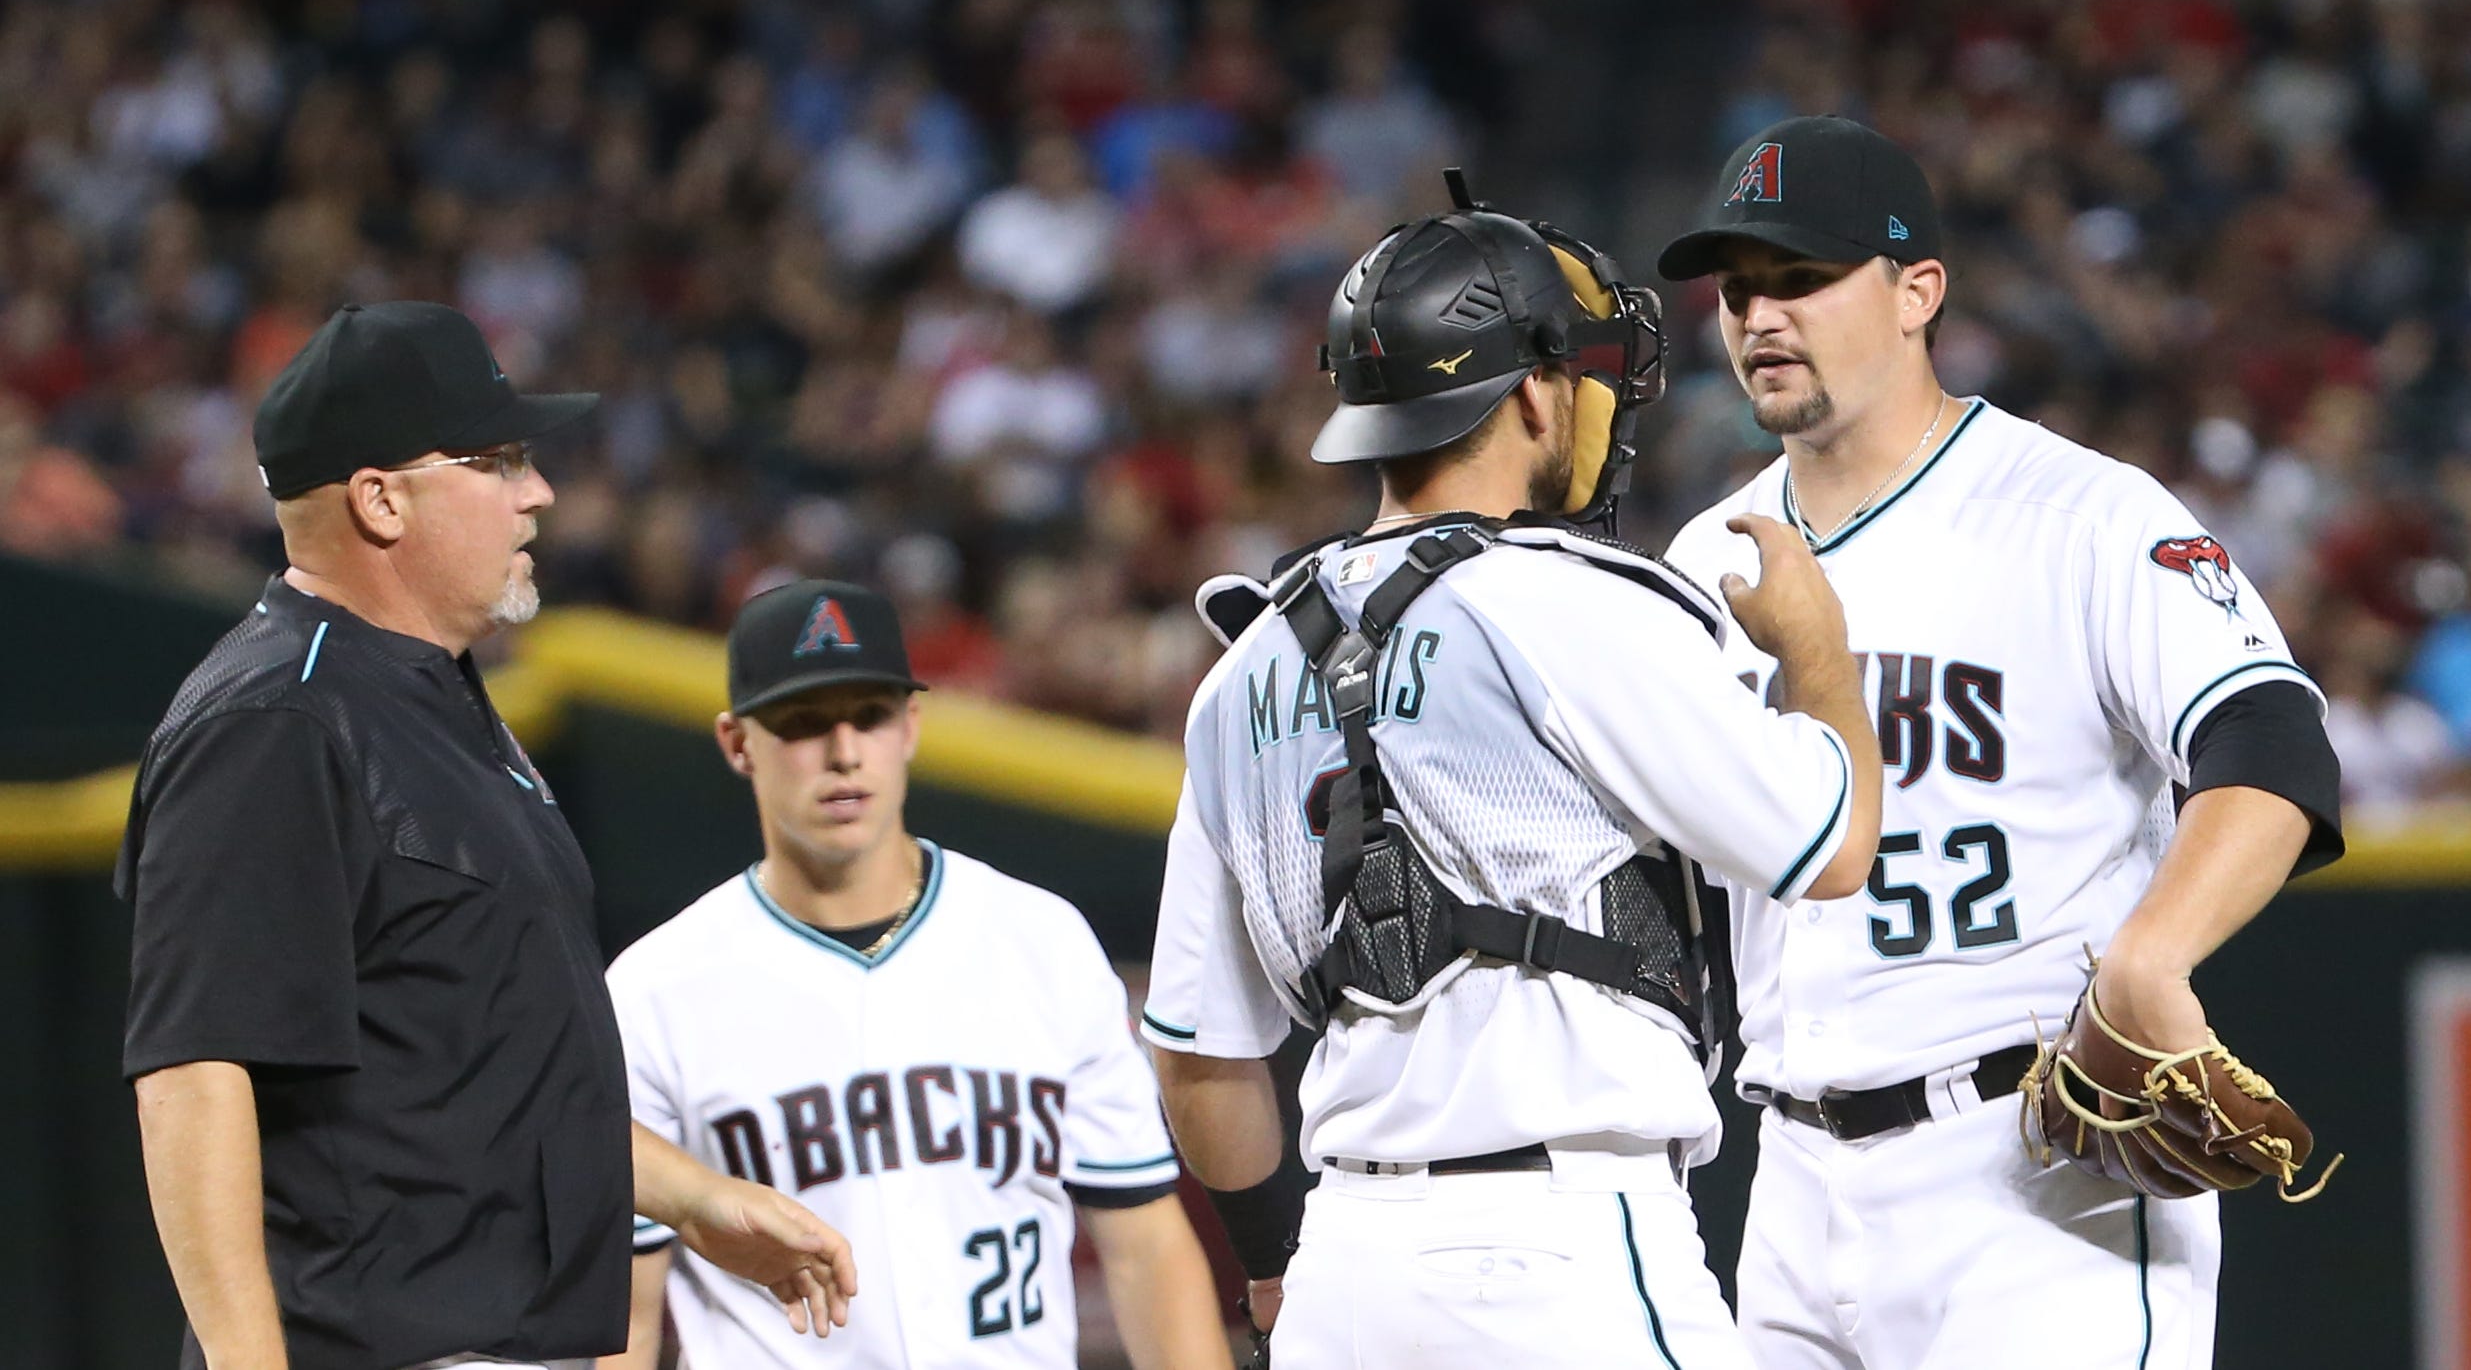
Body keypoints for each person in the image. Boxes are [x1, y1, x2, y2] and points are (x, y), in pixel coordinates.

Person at [1141, 175, 1885, 1370]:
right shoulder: (1571, 603)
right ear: (1534, 395)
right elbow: (1831, 844)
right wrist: (1818, 656)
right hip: (1561, 1248)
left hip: (1343, 1263)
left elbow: (1199, 1062)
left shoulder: (1241, 670)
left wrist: (1278, 1265)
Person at [1655, 115, 2346, 1369]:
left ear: (1916, 290)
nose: (1759, 315)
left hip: (2034, 1167)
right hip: (1789, 1185)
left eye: (1800, 278)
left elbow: (2274, 741)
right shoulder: (1700, 561)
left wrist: (2150, 955)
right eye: (1738, 287)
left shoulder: (2077, 513)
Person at [120, 302, 856, 1370]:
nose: (539, 491)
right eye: (498, 461)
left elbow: (488, 1069)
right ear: (381, 500)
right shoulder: (273, 720)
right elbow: (194, 1073)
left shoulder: (433, 695)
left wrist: (693, 1198)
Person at [600, 578, 1229, 1370]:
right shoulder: (657, 988)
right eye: (801, 724)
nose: (843, 752)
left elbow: (1143, 1243)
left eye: (868, 715)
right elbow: (628, 1311)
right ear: (736, 742)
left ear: (910, 727)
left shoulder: (1039, 939)